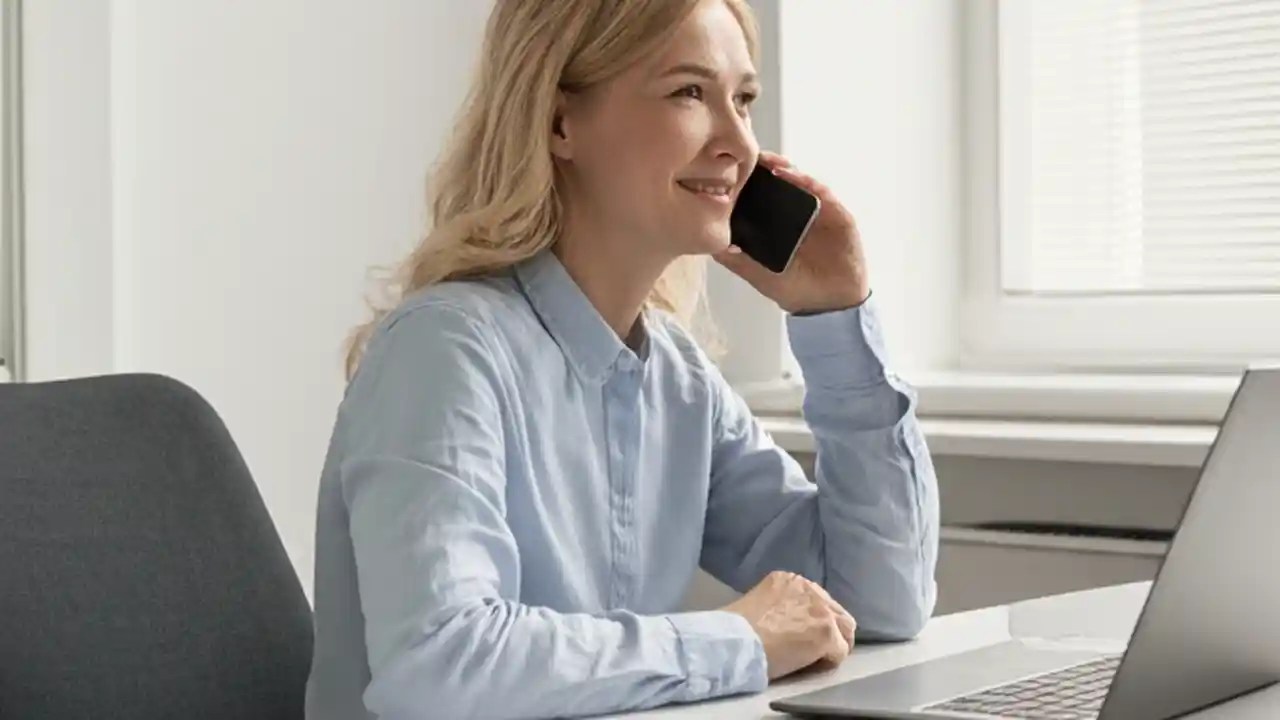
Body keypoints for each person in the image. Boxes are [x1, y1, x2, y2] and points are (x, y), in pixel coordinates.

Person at [305, 0, 939, 718]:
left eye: (745, 99)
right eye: (689, 93)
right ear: (558, 122)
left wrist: (837, 320)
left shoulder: (677, 377)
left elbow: (878, 600)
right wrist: (740, 639)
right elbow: (440, 664)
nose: (739, 143)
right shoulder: (444, 351)